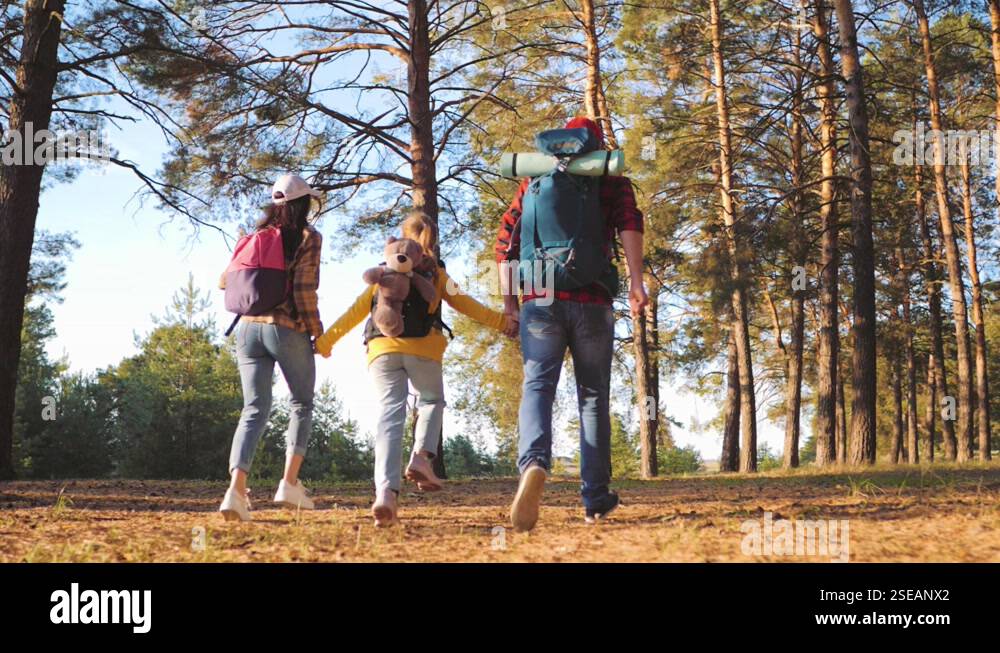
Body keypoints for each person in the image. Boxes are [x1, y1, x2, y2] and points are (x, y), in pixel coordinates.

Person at [315, 212, 516, 527]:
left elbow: (355, 311)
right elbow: (467, 305)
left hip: (381, 349)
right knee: (431, 400)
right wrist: (503, 322)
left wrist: (326, 342)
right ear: (431, 240)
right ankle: (422, 457)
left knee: (389, 415)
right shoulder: (435, 273)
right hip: (424, 348)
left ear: (402, 236)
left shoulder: (385, 271)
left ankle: (385, 494)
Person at [496, 116, 647, 532]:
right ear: (597, 147)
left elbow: (504, 242)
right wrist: (636, 282)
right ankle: (595, 498)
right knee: (593, 397)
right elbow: (630, 223)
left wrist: (510, 303)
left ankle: (534, 463)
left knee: (538, 385)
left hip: (539, 295)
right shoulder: (610, 178)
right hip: (593, 294)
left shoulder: (535, 177)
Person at [219, 173, 324, 521]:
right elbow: (304, 290)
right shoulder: (308, 237)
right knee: (302, 403)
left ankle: (235, 492)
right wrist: (317, 331)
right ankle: (289, 484)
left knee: (254, 409)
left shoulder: (255, 235)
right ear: (305, 203)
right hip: (284, 328)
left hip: (246, 330)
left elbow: (224, 281)